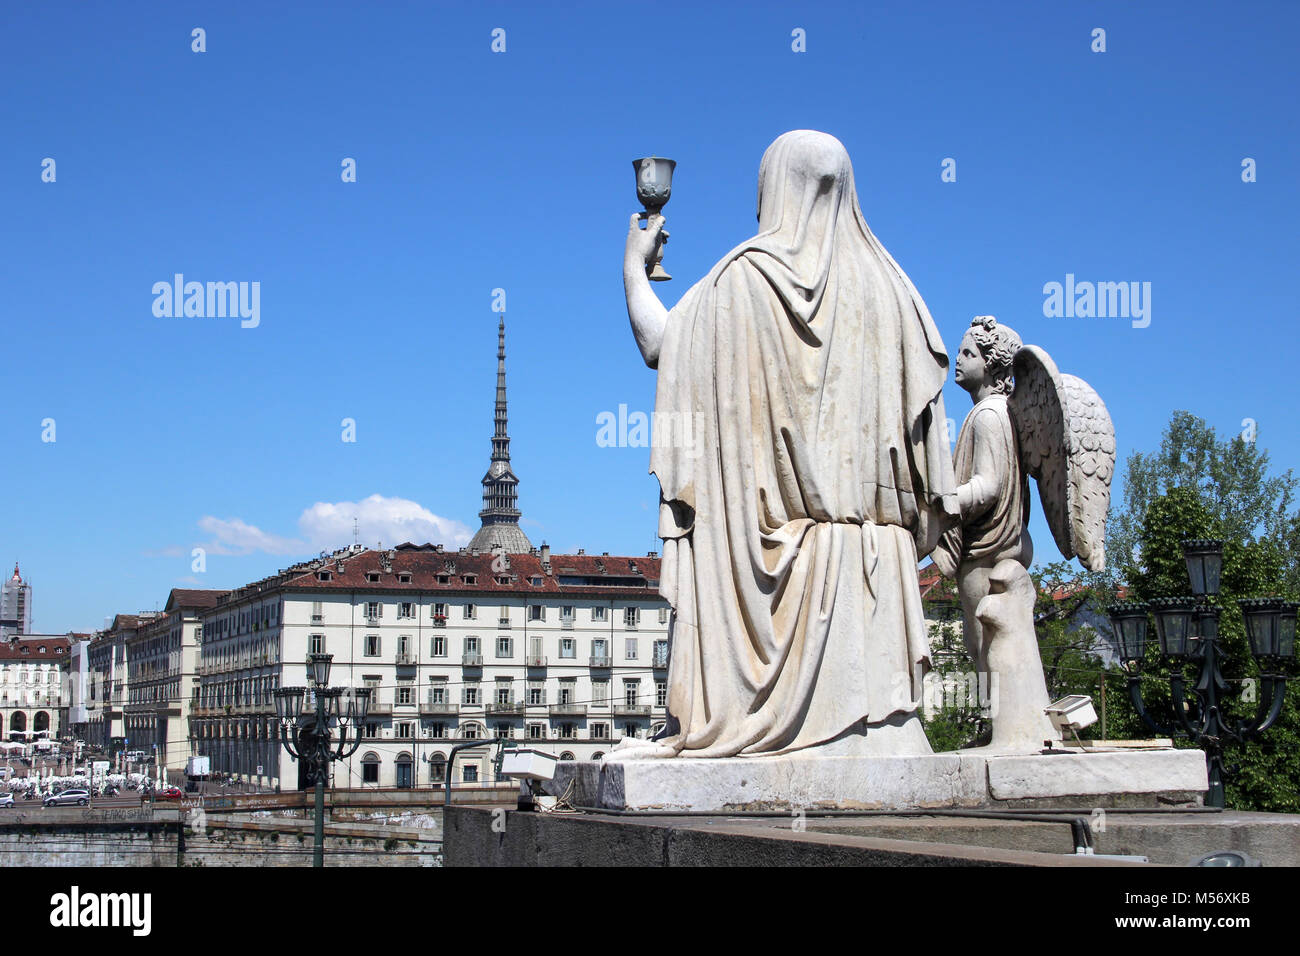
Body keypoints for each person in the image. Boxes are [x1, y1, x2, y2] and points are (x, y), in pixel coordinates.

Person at [617, 130, 958, 759]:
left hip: (762, 574)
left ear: (773, 190)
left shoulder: (744, 278)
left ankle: (742, 724)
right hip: (876, 575)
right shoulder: (899, 294)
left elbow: (659, 345)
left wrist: (635, 268)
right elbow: (927, 461)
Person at [933, 316, 1032, 698]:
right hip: (1004, 546)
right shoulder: (1002, 412)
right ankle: (1005, 723)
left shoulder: (988, 415)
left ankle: (1001, 723)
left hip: (984, 552)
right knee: (997, 645)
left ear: (990, 364)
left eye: (967, 353)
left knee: (984, 648)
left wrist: (945, 501)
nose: (957, 359)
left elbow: (989, 486)